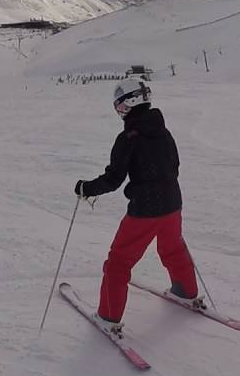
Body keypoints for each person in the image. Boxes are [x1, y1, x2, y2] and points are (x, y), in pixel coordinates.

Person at [74, 79, 198, 331]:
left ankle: (108, 317)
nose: (119, 112)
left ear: (131, 103)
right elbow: (174, 166)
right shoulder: (164, 132)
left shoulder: (128, 138)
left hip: (145, 210)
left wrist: (87, 188)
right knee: (172, 248)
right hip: (173, 205)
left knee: (118, 261)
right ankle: (186, 291)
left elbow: (113, 179)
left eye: (120, 107)